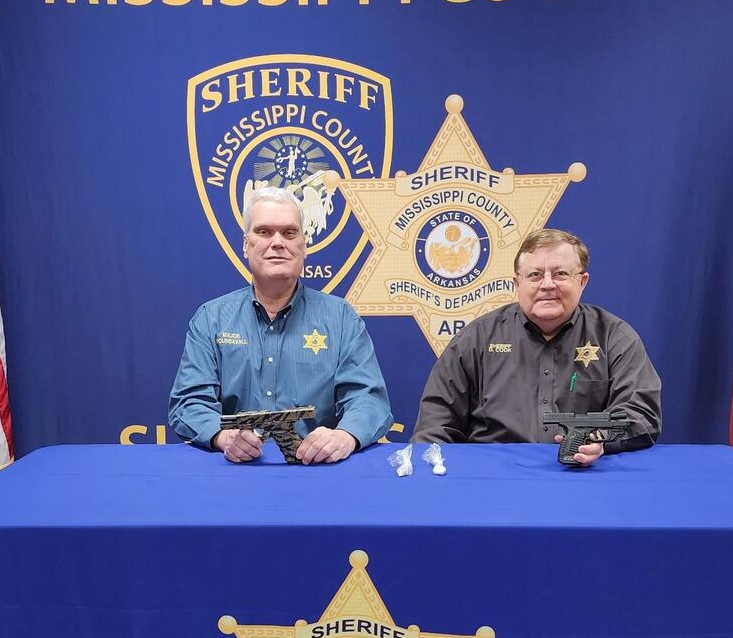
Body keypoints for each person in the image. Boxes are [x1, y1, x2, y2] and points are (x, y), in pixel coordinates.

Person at [169, 187, 392, 464]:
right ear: (245, 244)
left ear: (304, 245)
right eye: (263, 232)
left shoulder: (341, 318)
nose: (277, 242)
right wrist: (224, 437)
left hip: (318, 474)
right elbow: (189, 402)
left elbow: (368, 399)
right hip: (235, 477)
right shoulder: (210, 318)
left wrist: (344, 437)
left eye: (289, 232)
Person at [412, 228, 661, 466]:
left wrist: (599, 438)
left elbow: (640, 412)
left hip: (582, 474)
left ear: (582, 282)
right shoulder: (476, 339)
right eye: (535, 275)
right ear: (516, 283)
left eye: (561, 274)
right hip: (492, 477)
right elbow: (437, 421)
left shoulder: (614, 337)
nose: (548, 284)